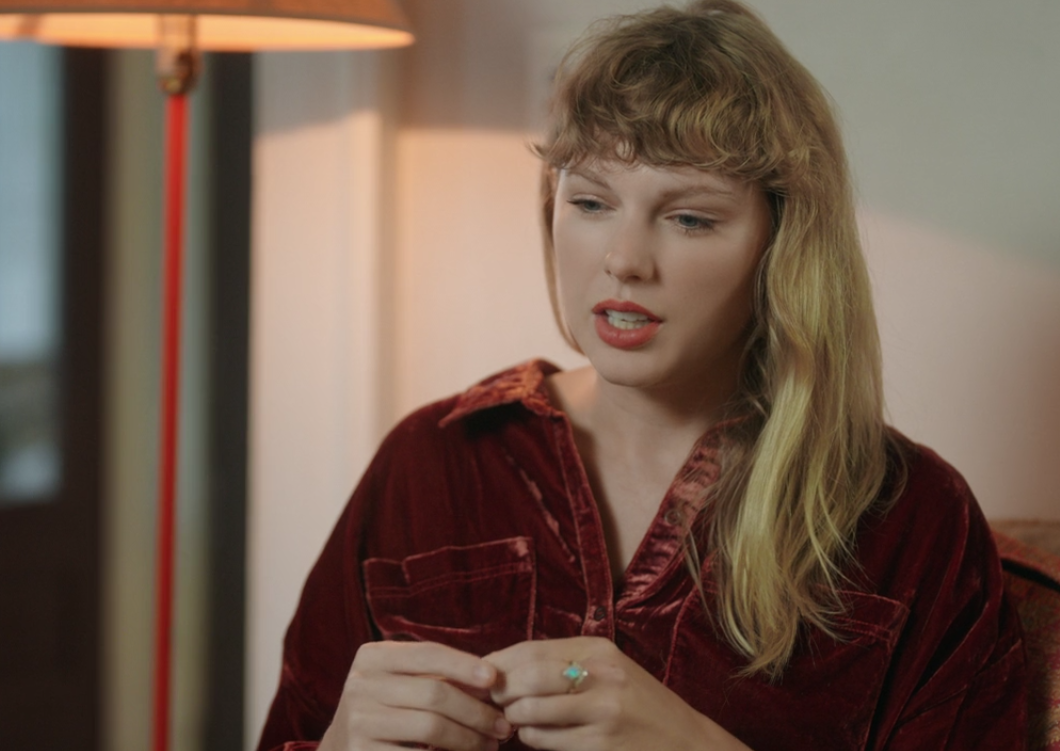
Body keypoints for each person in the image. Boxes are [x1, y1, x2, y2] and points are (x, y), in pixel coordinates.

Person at [256, 1, 1027, 750]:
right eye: (592, 202)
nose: (624, 259)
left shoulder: (911, 518)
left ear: (782, 245)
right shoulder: (431, 463)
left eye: (689, 217)